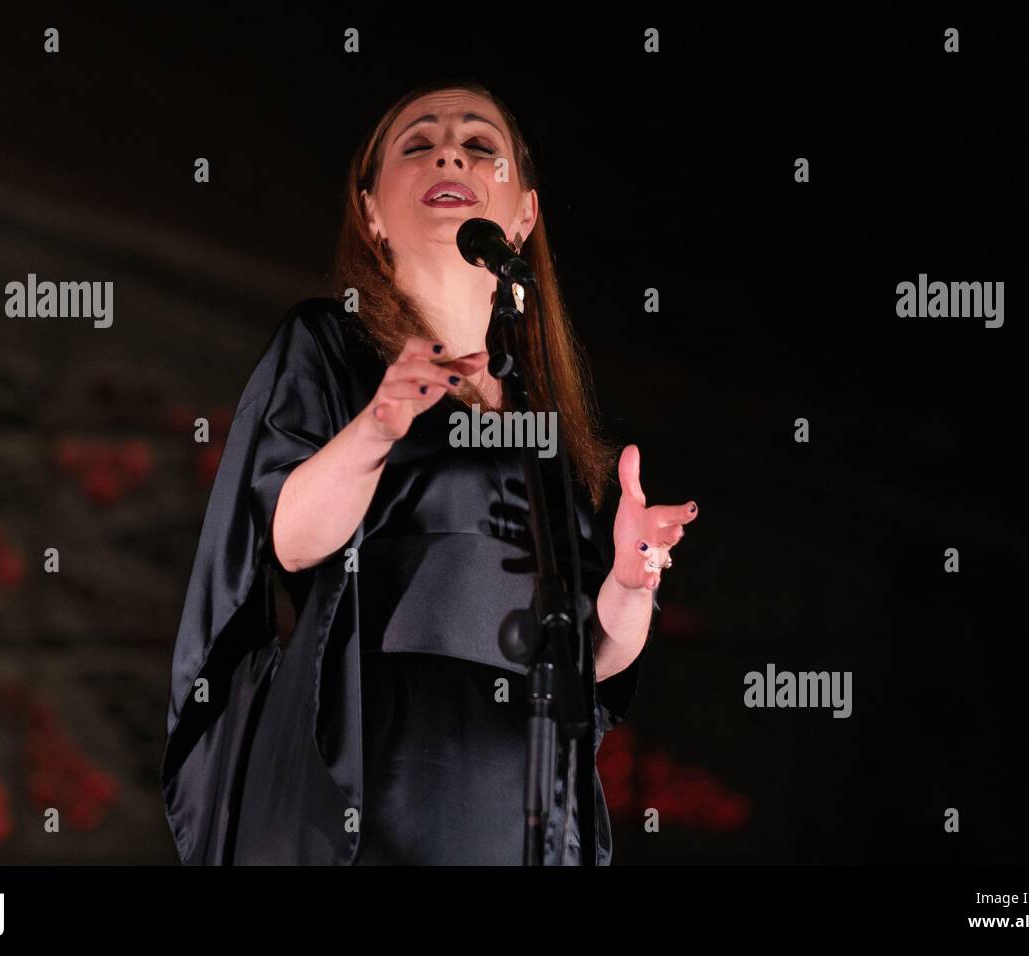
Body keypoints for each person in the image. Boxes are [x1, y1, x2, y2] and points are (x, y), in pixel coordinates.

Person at [161, 80, 698, 865]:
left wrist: (629, 580)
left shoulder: (543, 410)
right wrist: (378, 424)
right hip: (373, 762)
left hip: (517, 785)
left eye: (483, 146)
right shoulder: (329, 342)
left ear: (523, 214)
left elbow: (597, 656)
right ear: (371, 209)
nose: (451, 150)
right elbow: (292, 539)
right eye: (418, 143)